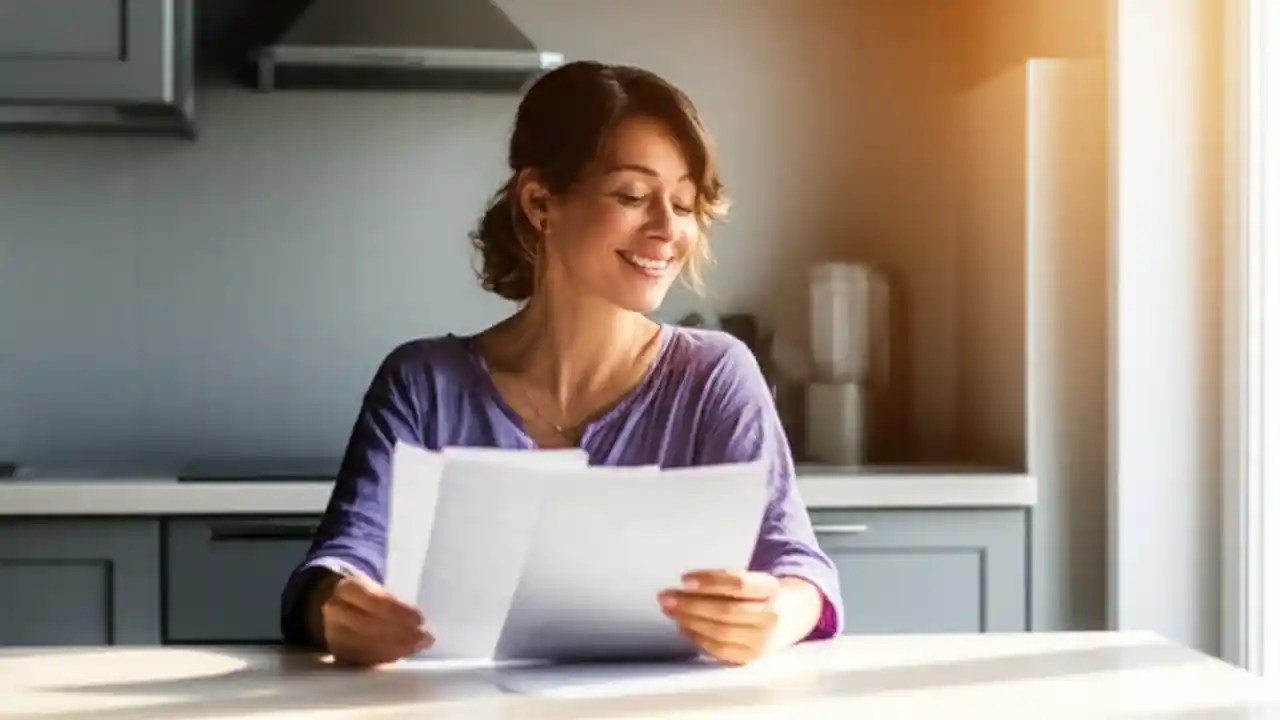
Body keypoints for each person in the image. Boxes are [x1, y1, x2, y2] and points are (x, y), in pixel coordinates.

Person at [279, 60, 844, 668]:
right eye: (632, 195)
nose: (666, 230)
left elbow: (800, 567)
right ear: (541, 201)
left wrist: (776, 614)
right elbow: (339, 562)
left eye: (683, 205)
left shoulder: (715, 376)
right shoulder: (423, 383)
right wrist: (338, 610)